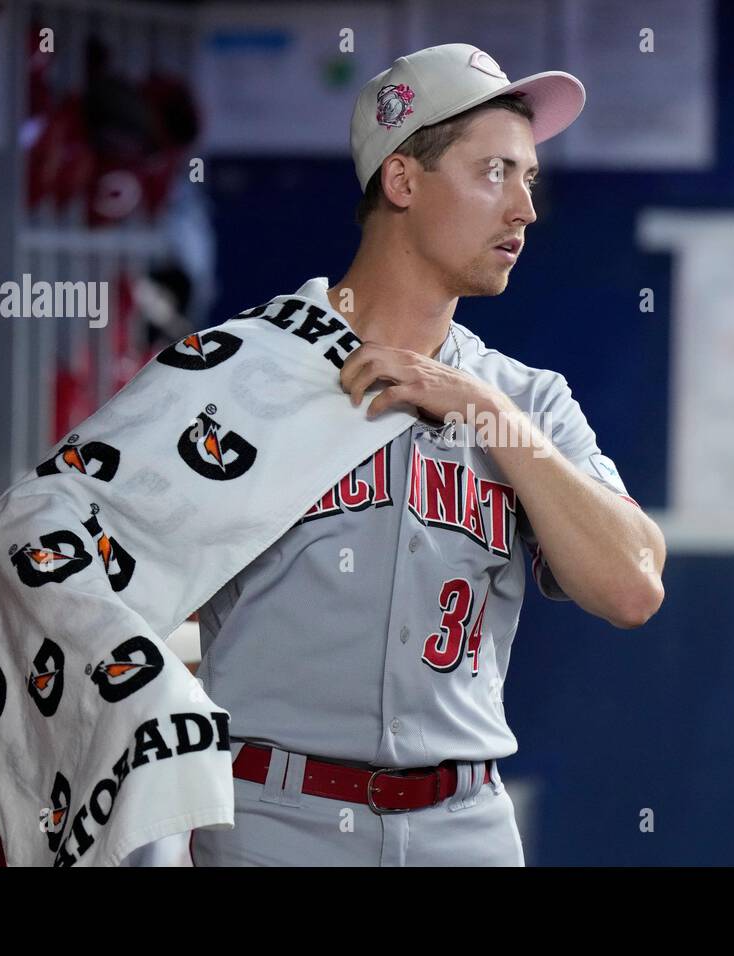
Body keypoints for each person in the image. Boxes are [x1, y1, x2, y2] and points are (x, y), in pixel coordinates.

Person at [186, 44, 666, 866]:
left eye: (530, 180)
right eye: (495, 174)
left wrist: (485, 412)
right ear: (403, 181)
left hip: (464, 822)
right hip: (274, 819)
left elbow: (632, 586)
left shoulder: (526, 399)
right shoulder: (245, 371)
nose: (524, 209)